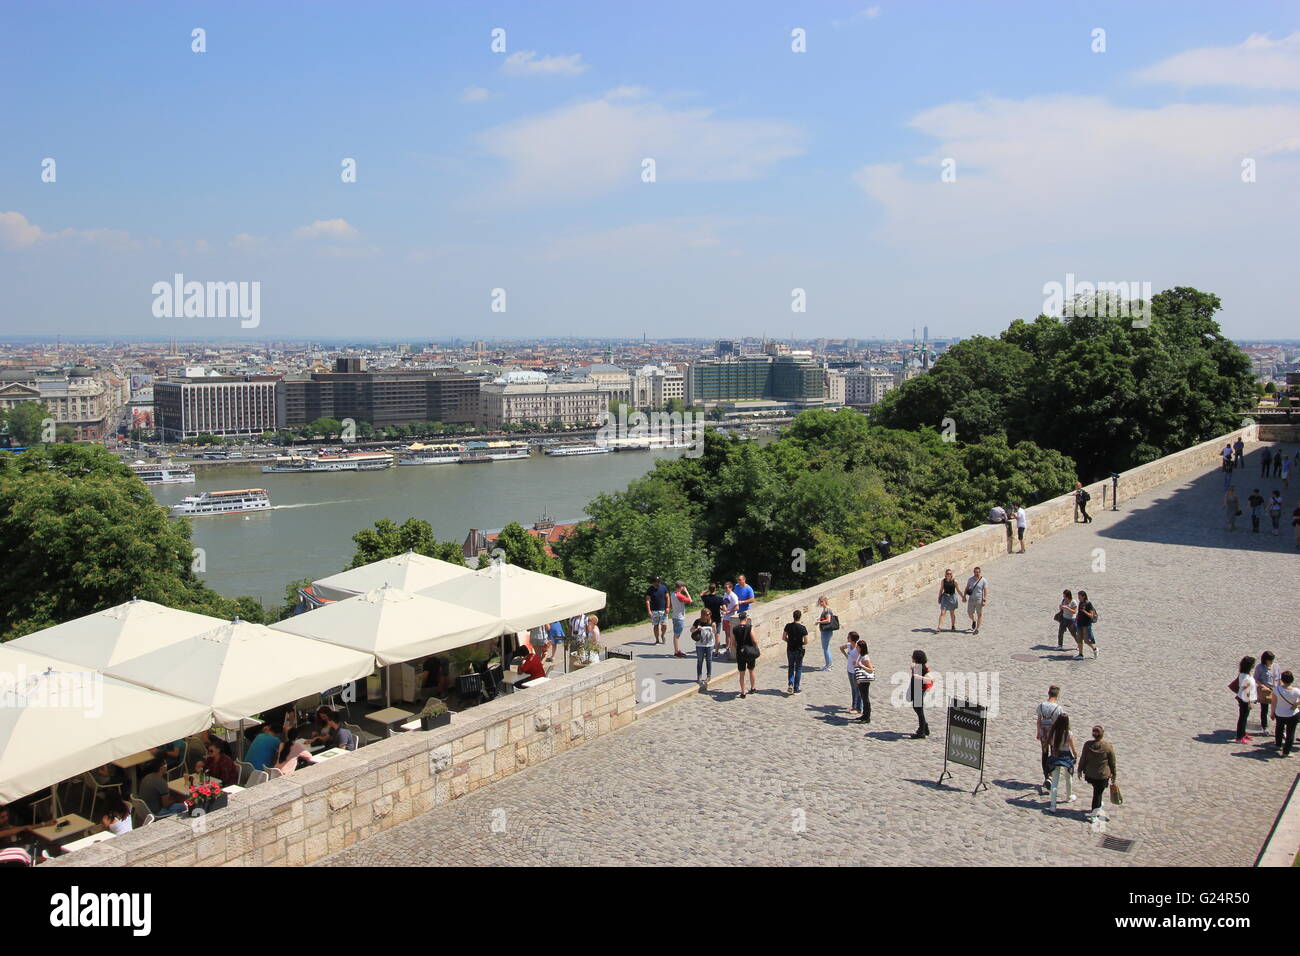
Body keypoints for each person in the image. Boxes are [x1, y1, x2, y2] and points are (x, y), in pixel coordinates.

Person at [1077, 725, 1118, 820]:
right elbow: (1112, 762)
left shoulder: (1087, 745)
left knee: (1097, 791)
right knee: (1097, 794)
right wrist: (1114, 774)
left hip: (1090, 774)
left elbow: (1083, 758)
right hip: (1102, 776)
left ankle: (1098, 805)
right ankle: (1094, 814)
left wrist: (1080, 769)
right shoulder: (1107, 746)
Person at [1035, 685, 1064, 792]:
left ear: (1048, 693)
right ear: (1057, 695)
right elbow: (1060, 723)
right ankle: (1051, 775)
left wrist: (1038, 732)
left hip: (1043, 732)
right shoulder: (1058, 708)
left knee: (1044, 753)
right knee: (1053, 753)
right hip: (1053, 733)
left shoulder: (1041, 705)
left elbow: (1038, 720)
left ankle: (1046, 776)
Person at [1046, 714, 1078, 802]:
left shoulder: (1053, 732)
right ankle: (1069, 796)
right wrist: (1075, 755)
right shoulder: (1068, 733)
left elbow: (1051, 743)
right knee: (1068, 777)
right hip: (1066, 756)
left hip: (1056, 755)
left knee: (1055, 781)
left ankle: (1053, 803)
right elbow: (1072, 747)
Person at [1273, 671, 1300, 757]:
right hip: (1292, 714)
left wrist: (1272, 712)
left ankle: (1278, 744)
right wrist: (1296, 704)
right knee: (1290, 733)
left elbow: (1273, 702)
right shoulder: (1296, 691)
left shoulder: (1276, 689)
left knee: (1279, 729)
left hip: (1279, 713)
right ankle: (1286, 752)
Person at [782, 610, 808, 695]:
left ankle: (790, 683)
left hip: (790, 649)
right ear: (800, 617)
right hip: (799, 650)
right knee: (799, 668)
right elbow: (806, 641)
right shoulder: (802, 628)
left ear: (793, 616)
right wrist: (801, 643)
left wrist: (789, 641)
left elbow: (784, 637)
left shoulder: (788, 626)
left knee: (791, 667)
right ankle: (796, 688)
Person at [733, 611, 758, 698]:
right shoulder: (750, 627)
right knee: (751, 670)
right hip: (750, 651)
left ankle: (743, 691)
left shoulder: (735, 629)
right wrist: (756, 648)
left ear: (739, 619)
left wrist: (738, 650)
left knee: (742, 673)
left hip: (740, 652)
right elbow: (754, 640)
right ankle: (753, 687)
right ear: (746, 619)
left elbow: (733, 643)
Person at [1255, 651, 1280, 735]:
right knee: (1264, 709)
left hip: (1274, 689)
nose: (1272, 662)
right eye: (1270, 660)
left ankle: (1279, 728)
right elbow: (1256, 679)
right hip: (1264, 690)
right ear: (1265, 660)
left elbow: (1278, 678)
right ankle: (1264, 727)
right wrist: (1263, 686)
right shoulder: (1259, 667)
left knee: (1277, 709)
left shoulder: (1276, 666)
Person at [690, 607, 717, 688]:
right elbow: (691, 630)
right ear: (703, 615)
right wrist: (696, 629)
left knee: (709, 660)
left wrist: (713, 627)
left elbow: (715, 632)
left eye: (709, 614)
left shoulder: (712, 622)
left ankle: (709, 675)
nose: (709, 616)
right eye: (707, 615)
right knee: (700, 660)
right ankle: (699, 676)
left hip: (709, 644)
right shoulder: (697, 621)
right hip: (700, 644)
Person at [908, 650, 931, 738]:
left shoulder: (922, 668)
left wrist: (919, 677)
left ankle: (922, 731)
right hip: (916, 690)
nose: (911, 658)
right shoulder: (918, 666)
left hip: (919, 691)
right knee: (917, 709)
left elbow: (930, 679)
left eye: (913, 657)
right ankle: (924, 728)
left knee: (919, 711)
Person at [1234, 655, 1257, 744]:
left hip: (1243, 698)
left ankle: (1243, 733)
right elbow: (1246, 691)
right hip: (1244, 699)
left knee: (1244, 717)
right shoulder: (1246, 677)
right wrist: (1248, 703)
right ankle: (1240, 736)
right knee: (1243, 718)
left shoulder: (1244, 674)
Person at [840, 630, 863, 715]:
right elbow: (841, 648)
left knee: (858, 690)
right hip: (849, 670)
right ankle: (853, 705)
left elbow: (863, 657)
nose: (847, 638)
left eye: (848, 637)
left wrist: (858, 663)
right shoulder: (849, 645)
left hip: (856, 671)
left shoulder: (858, 648)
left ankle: (859, 708)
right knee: (853, 689)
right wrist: (846, 656)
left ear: (852, 639)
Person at [700, 585, 727, 657]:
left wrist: (707, 590)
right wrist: (722, 611)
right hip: (717, 618)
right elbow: (725, 609)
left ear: (709, 589)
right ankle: (716, 652)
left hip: (708, 618)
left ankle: (706, 652)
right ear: (715, 589)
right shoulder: (719, 598)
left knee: (706, 635)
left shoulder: (706, 598)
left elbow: (701, 594)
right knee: (717, 635)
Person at [853, 638, 875, 724]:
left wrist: (861, 665)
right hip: (860, 680)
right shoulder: (860, 655)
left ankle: (867, 717)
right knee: (863, 697)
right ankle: (864, 715)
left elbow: (870, 669)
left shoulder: (865, 658)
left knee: (865, 699)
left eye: (858, 647)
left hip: (865, 681)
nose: (856, 648)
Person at [669, 580, 692, 659]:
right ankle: (676, 651)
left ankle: (677, 650)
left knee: (676, 635)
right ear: (681, 587)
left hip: (675, 616)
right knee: (677, 635)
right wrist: (686, 592)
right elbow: (690, 600)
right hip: (679, 618)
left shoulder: (672, 594)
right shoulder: (679, 595)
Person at [644, 576, 669, 646]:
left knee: (664, 625)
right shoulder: (649, 589)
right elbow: (648, 601)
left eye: (659, 582)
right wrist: (649, 611)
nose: (658, 583)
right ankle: (657, 640)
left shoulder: (664, 588)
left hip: (663, 610)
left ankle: (663, 635)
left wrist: (667, 607)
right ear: (653, 583)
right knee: (656, 625)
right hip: (654, 611)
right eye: (656, 582)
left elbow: (667, 597)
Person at [963, 566, 989, 634]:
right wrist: (964, 596)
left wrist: (984, 600)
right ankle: (974, 620)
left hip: (979, 599)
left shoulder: (984, 580)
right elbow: (967, 588)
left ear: (980, 572)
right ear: (973, 572)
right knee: (969, 613)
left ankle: (977, 629)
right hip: (971, 599)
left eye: (978, 572)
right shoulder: (970, 579)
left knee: (979, 614)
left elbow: (986, 590)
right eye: (975, 572)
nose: (976, 573)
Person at [815, 595, 836, 670]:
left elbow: (828, 620)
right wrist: (820, 619)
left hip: (826, 631)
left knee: (825, 648)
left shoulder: (827, 610)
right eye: (819, 601)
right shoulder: (825, 609)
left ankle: (828, 665)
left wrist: (819, 621)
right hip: (826, 631)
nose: (820, 603)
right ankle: (829, 664)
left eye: (821, 601)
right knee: (826, 648)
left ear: (825, 601)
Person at [1076, 590, 1097, 659]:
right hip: (1079, 623)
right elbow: (1079, 612)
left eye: (1080, 596)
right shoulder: (1080, 603)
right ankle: (1080, 654)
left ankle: (1095, 649)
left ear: (1084, 596)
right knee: (1079, 639)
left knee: (1086, 640)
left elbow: (1091, 615)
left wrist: (1084, 611)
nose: (1078, 598)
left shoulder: (1088, 604)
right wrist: (1076, 619)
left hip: (1086, 624)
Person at [721, 581, 740, 656]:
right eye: (724, 588)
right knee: (726, 633)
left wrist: (728, 611)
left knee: (730, 634)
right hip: (725, 617)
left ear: (731, 588)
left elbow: (737, 607)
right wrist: (723, 609)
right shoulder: (725, 594)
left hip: (731, 618)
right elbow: (724, 604)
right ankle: (727, 648)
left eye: (726, 588)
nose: (725, 589)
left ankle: (731, 649)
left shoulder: (733, 596)